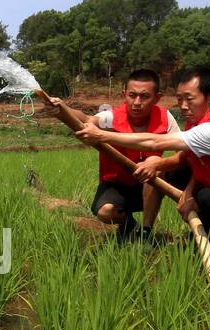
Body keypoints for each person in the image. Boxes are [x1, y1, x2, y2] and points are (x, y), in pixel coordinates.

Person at [75, 66, 210, 276]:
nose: (183, 106)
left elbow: (154, 141)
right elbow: (188, 158)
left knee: (209, 196)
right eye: (179, 99)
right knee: (180, 177)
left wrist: (102, 136)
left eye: (189, 99)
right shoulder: (198, 121)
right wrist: (179, 182)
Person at [48, 69, 190, 244]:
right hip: (118, 184)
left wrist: (160, 163)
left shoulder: (165, 118)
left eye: (144, 96)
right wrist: (63, 109)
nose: (137, 102)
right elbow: (85, 119)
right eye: (132, 95)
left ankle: (146, 233)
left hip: (150, 184)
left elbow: (182, 151)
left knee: (157, 166)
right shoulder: (111, 118)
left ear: (157, 98)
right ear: (124, 95)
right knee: (105, 212)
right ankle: (128, 224)